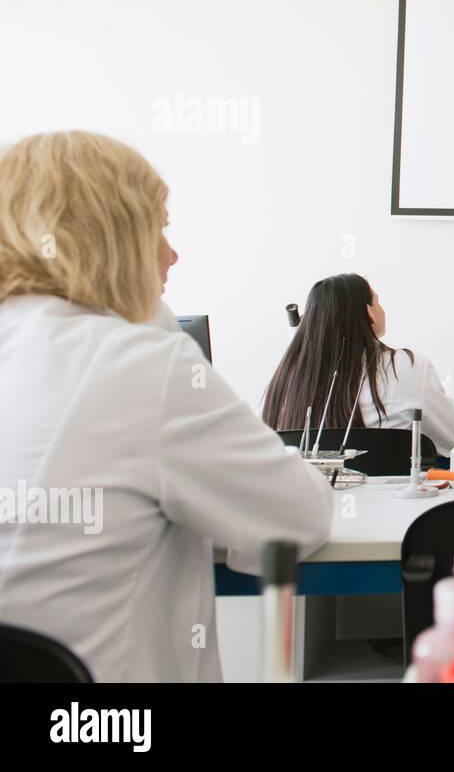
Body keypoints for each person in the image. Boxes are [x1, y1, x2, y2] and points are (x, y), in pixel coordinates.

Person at [0, 130, 334, 682]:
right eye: (159, 227)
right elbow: (295, 519)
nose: (172, 253)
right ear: (110, 235)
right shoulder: (137, 362)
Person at [262, 274, 454, 458]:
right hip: (387, 494)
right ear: (370, 313)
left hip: (304, 495)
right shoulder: (407, 366)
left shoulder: (284, 378)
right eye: (377, 301)